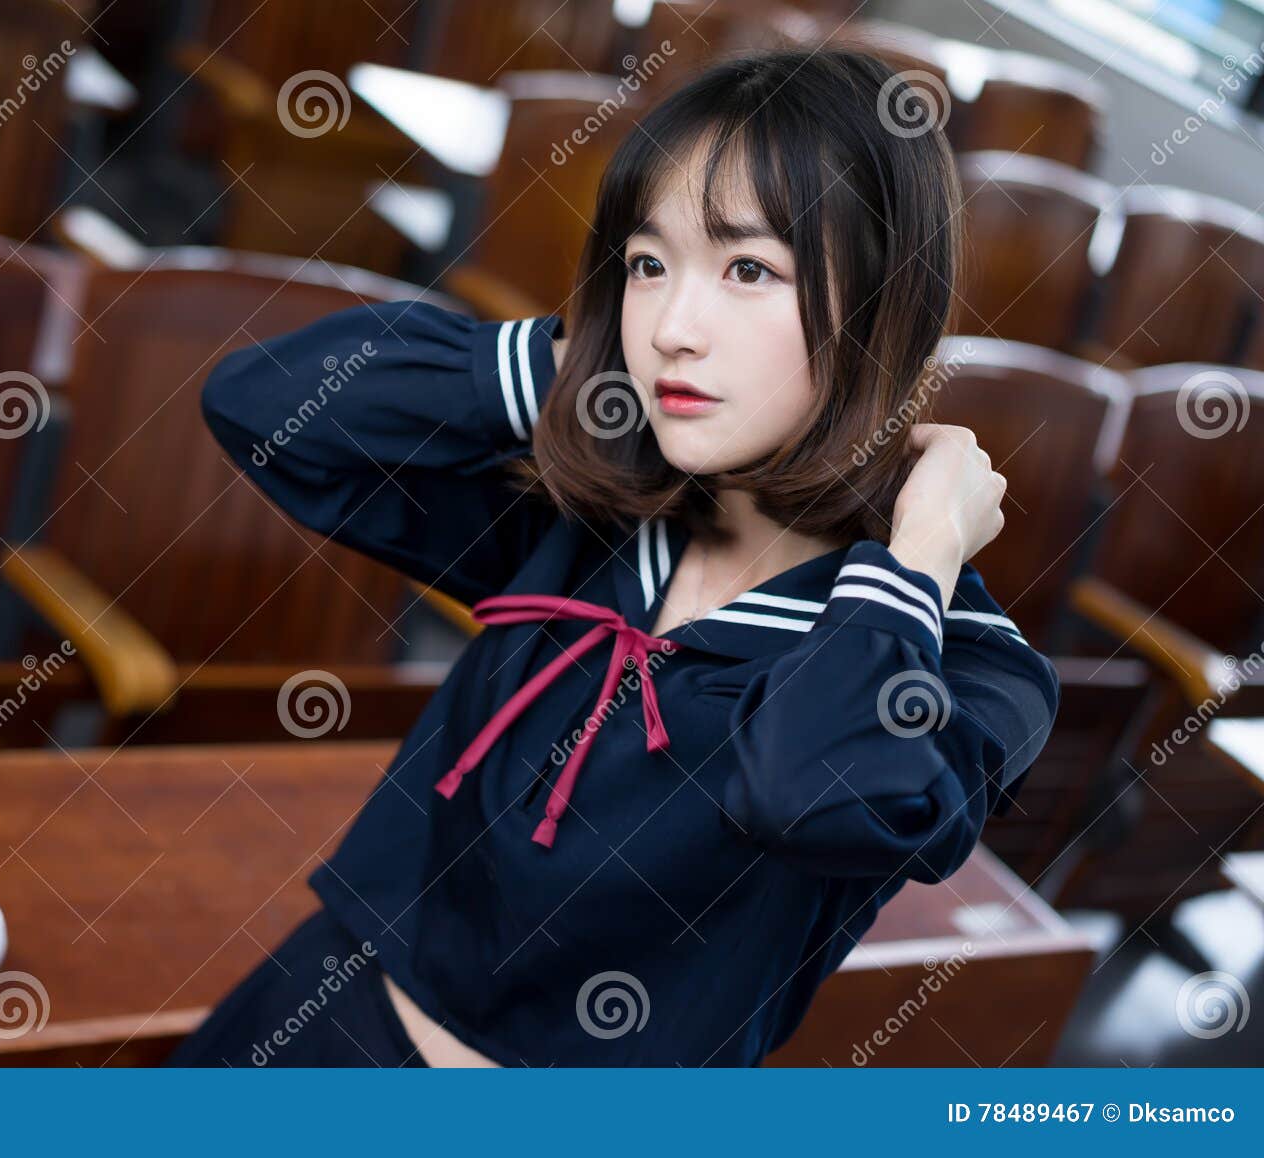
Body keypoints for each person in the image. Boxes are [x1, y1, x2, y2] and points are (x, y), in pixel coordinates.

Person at [165, 45, 1060, 1068]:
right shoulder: (593, 518)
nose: (673, 328)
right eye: (647, 264)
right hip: (312, 1032)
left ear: (882, 311)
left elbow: (817, 790)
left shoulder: (967, 666)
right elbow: (265, 408)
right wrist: (577, 362)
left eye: (749, 269)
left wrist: (919, 560)